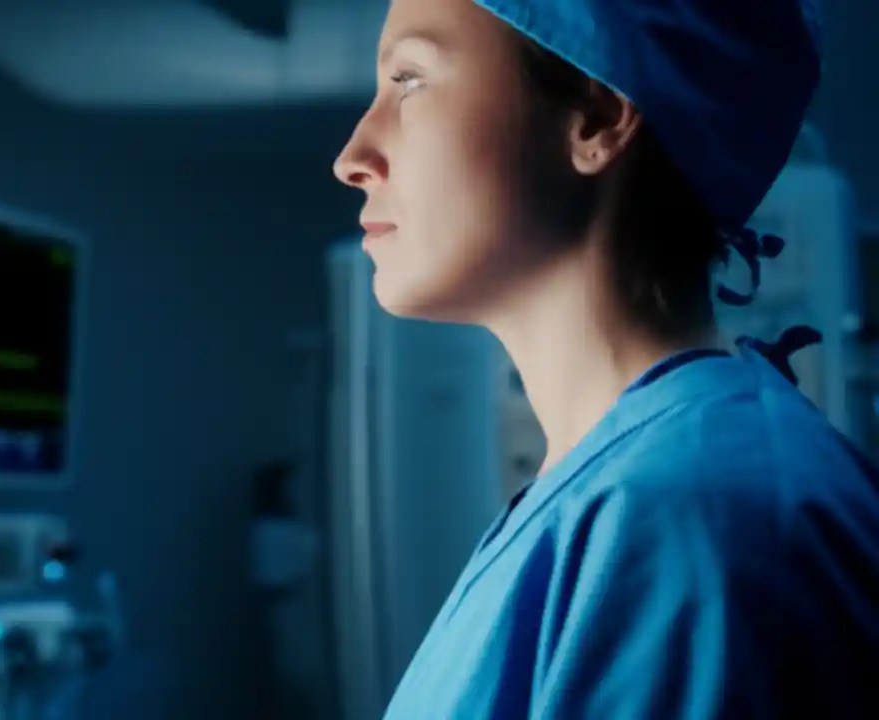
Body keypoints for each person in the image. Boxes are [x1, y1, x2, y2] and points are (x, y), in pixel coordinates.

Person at [332, 0, 879, 717]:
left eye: (409, 79)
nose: (352, 159)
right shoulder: (627, 495)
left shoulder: (693, 519)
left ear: (595, 119)